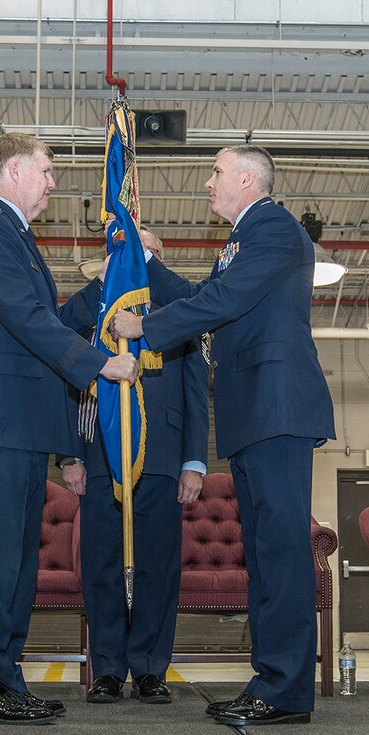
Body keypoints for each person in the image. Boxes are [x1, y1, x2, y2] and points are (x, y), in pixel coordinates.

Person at [110, 145, 335, 726]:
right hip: (254, 415)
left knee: (281, 553)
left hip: (277, 410)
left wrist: (147, 327)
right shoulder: (242, 240)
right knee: (265, 554)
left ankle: (285, 688)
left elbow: (223, 301)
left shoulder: (276, 228)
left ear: (245, 178)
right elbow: (200, 298)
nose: (207, 183)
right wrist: (144, 258)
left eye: (214, 172)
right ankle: (272, 681)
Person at [0, 132, 137, 725]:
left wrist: (101, 289)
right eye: (47, 171)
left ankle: (4, 676)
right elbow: (27, 321)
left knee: (18, 564)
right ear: (14, 171)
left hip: (21, 426)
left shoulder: (17, 240)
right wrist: (100, 362)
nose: (53, 182)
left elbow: (46, 320)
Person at [62, 229, 208, 706]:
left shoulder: (178, 302)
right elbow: (66, 366)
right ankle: (106, 668)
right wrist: (70, 454)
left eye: (137, 246)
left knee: (157, 565)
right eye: (118, 247)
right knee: (100, 562)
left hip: (163, 450)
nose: (125, 253)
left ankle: (149, 668)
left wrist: (194, 462)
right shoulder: (96, 305)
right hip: (100, 448)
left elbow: (194, 387)